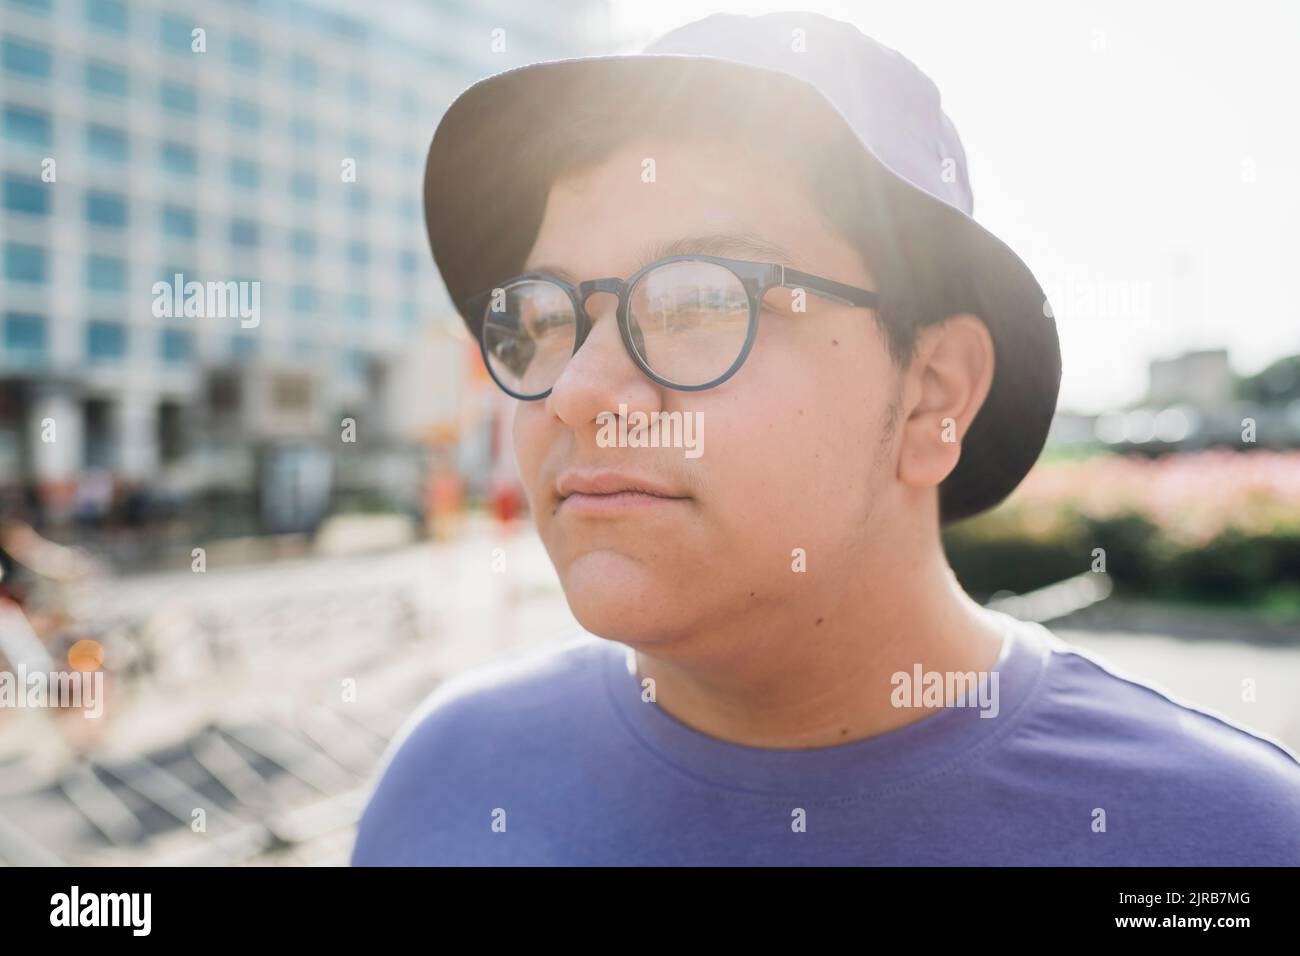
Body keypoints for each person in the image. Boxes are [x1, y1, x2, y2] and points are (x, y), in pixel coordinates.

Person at [351, 11, 1300, 865]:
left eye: (696, 299)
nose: (579, 388)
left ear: (933, 393)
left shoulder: (1221, 844)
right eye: (545, 316)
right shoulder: (446, 781)